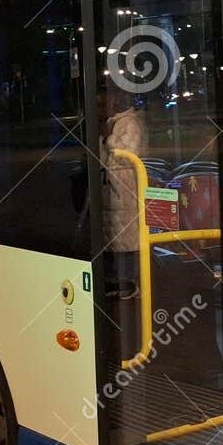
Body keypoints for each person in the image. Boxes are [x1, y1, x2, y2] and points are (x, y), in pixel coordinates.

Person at [101, 86, 147, 300]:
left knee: (126, 238)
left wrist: (109, 139)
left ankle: (130, 281)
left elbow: (126, 154)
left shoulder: (128, 123)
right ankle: (119, 280)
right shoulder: (116, 122)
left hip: (124, 188)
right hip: (114, 189)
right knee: (116, 238)